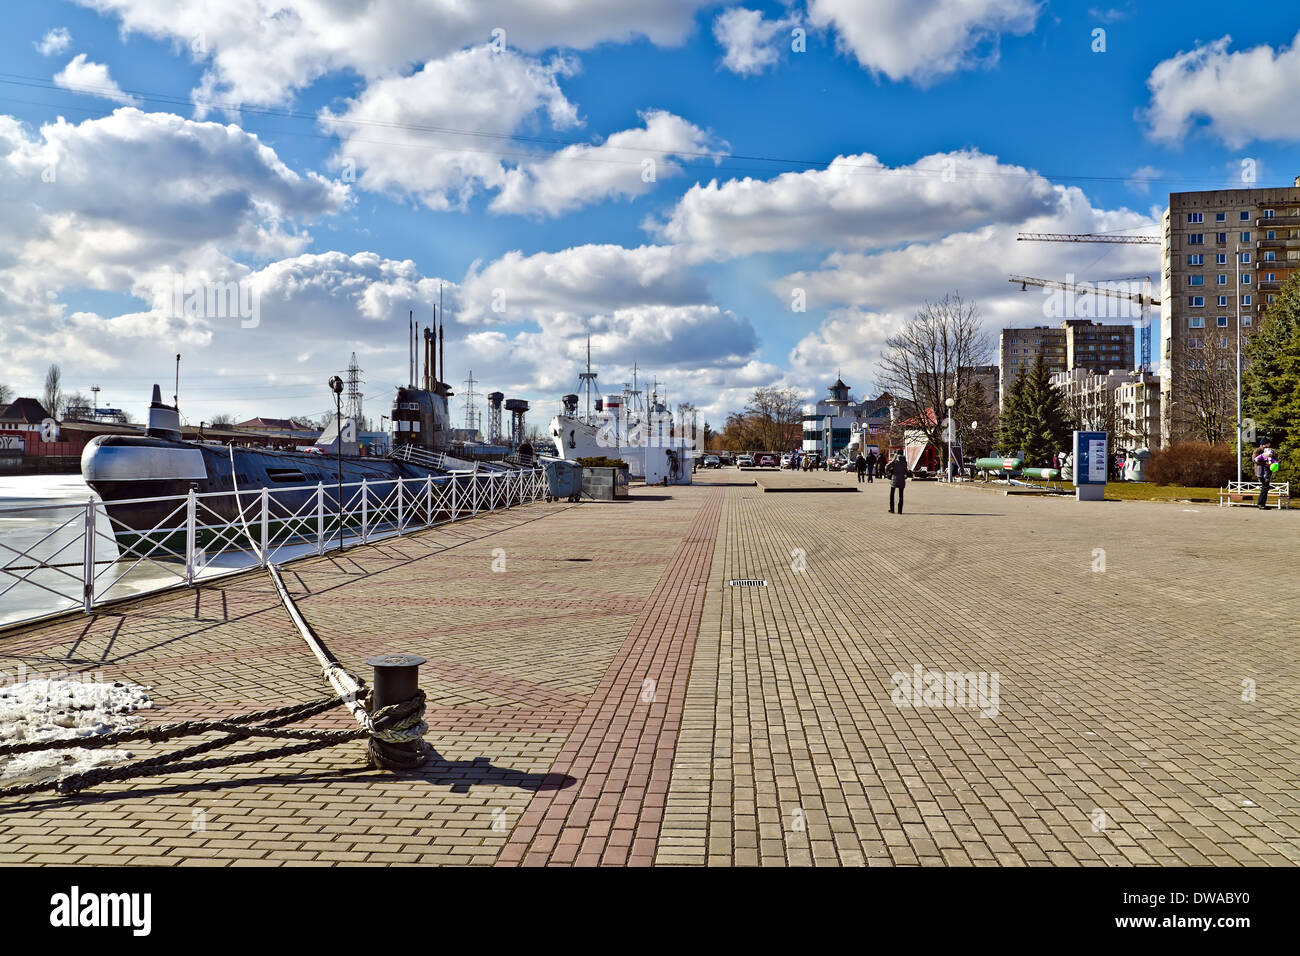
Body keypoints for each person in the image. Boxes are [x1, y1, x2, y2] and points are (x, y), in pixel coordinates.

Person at [1254, 441, 1278, 509]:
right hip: (1261, 473)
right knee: (1265, 487)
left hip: (1266, 472)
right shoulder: (1258, 451)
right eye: (1268, 443)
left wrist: (1271, 457)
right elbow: (1255, 460)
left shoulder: (1270, 450)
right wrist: (1265, 461)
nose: (1269, 445)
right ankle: (1261, 504)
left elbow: (1275, 458)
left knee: (1265, 487)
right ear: (1264, 444)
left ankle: (1262, 504)